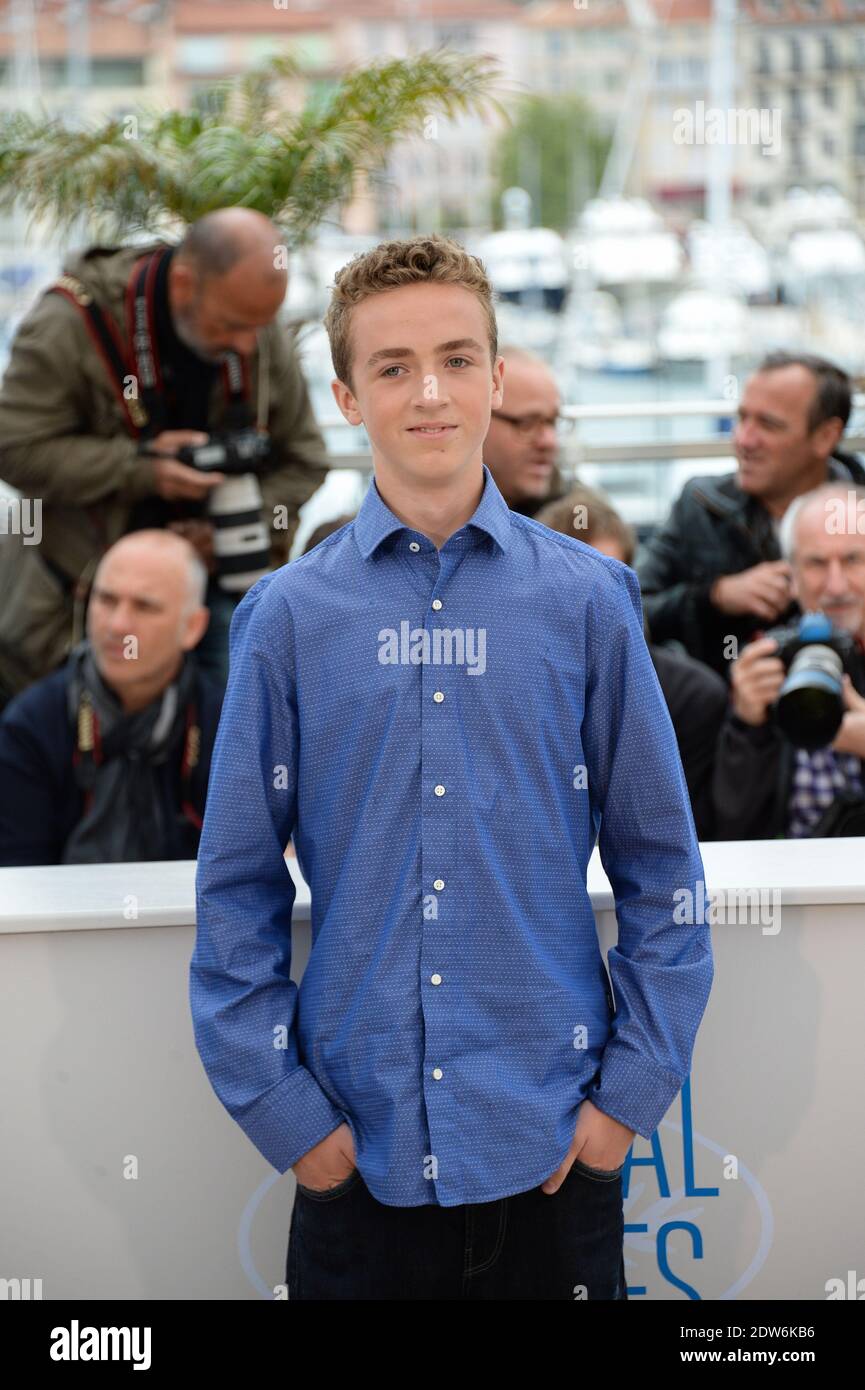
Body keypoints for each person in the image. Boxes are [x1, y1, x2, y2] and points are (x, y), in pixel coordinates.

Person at [190, 233, 713, 1301]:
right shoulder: (286, 621)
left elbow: (665, 872)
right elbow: (234, 890)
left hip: (552, 1163)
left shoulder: (588, 604)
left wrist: (623, 1108)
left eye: (457, 358)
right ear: (345, 393)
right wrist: (300, 1132)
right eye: (392, 366)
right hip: (357, 1174)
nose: (430, 391)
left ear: (497, 376)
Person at [0, 207, 329, 705]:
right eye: (232, 325)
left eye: (258, 328)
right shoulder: (73, 321)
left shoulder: (255, 325)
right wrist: (143, 470)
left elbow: (305, 459)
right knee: (87, 763)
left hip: (216, 595)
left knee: (223, 755)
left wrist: (230, 532)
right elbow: (14, 448)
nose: (247, 345)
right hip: (86, 599)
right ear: (182, 284)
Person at [0, 530, 223, 866]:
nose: (118, 625)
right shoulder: (32, 724)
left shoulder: (224, 722)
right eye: (106, 599)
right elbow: (16, 881)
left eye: (145, 606)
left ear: (193, 627)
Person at [636, 351, 864, 679]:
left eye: (768, 425)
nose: (744, 439)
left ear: (825, 436)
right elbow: (628, 612)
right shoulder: (701, 506)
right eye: (742, 418)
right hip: (730, 718)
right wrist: (716, 596)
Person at [536, 487, 729, 841]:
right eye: (572, 585)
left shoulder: (692, 697)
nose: (593, 603)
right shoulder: (504, 690)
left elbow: (686, 837)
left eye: (607, 581)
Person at [713, 481, 865, 839]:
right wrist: (748, 728)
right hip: (792, 888)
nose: (835, 585)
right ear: (791, 577)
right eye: (815, 563)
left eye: (853, 559)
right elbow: (731, 834)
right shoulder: (771, 658)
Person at [482, 344, 568, 516]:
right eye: (527, 424)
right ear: (480, 418)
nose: (549, 441)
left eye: (552, 422)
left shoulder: (580, 523)